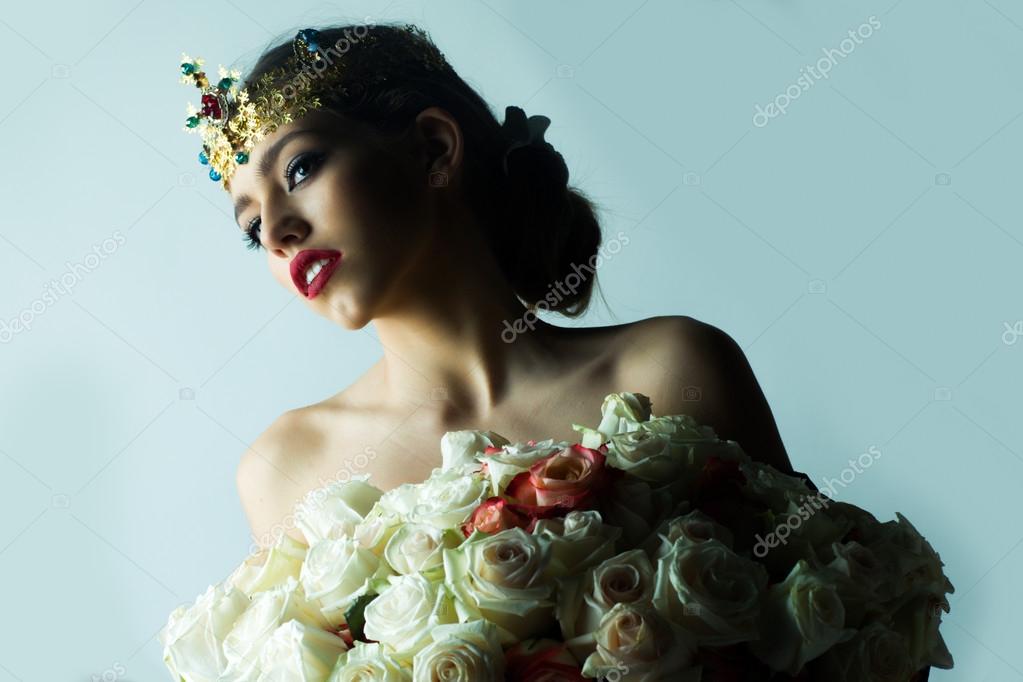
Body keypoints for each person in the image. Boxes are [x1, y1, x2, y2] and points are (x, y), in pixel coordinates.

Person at [182, 22, 797, 551]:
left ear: (433, 147)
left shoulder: (668, 372)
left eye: (300, 169)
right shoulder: (287, 469)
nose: (277, 233)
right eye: (252, 225)